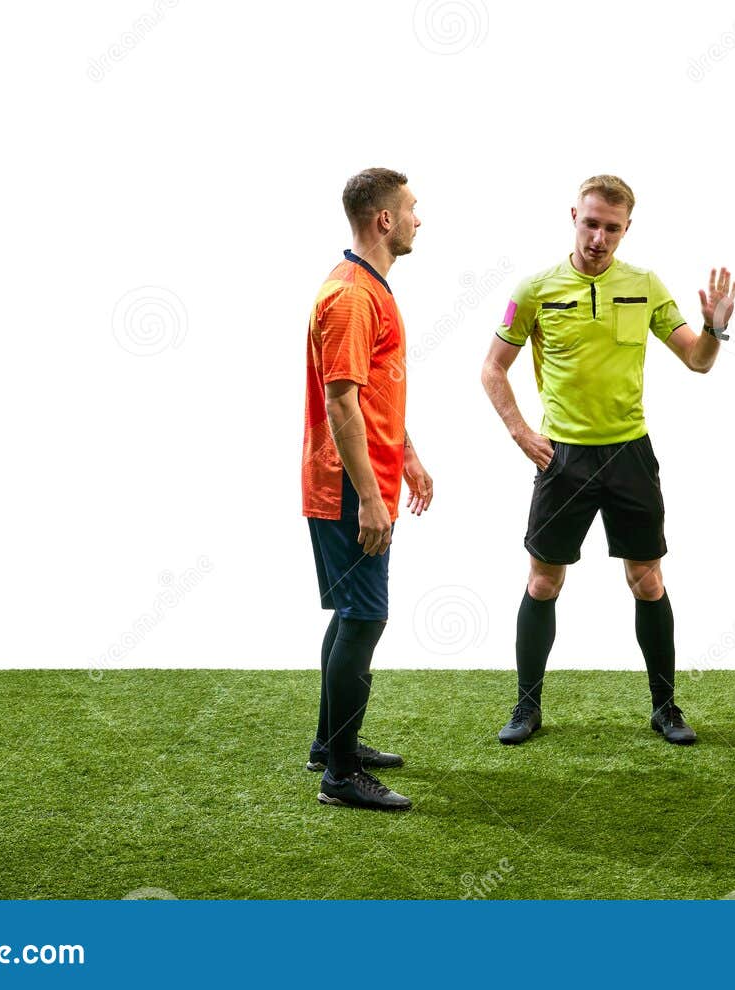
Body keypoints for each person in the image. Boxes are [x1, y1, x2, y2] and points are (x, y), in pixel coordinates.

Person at [480, 174, 735, 746]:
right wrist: (522, 432)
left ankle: (666, 708)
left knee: (647, 582)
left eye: (611, 228)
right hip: (562, 457)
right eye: (591, 224)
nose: (599, 238)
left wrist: (715, 327)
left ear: (626, 228)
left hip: (629, 454)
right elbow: (492, 368)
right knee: (544, 583)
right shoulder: (535, 288)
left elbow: (698, 360)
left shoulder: (644, 284)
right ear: (573, 215)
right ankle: (526, 708)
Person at [302, 167, 433, 810]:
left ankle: (330, 744)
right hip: (349, 488)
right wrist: (372, 497)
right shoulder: (354, 296)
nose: (418, 219)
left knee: (351, 615)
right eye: (412, 208)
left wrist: (407, 457)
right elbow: (341, 402)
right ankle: (342, 773)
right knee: (365, 616)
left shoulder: (370, 287)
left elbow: (376, 391)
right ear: (384, 219)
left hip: (366, 479)